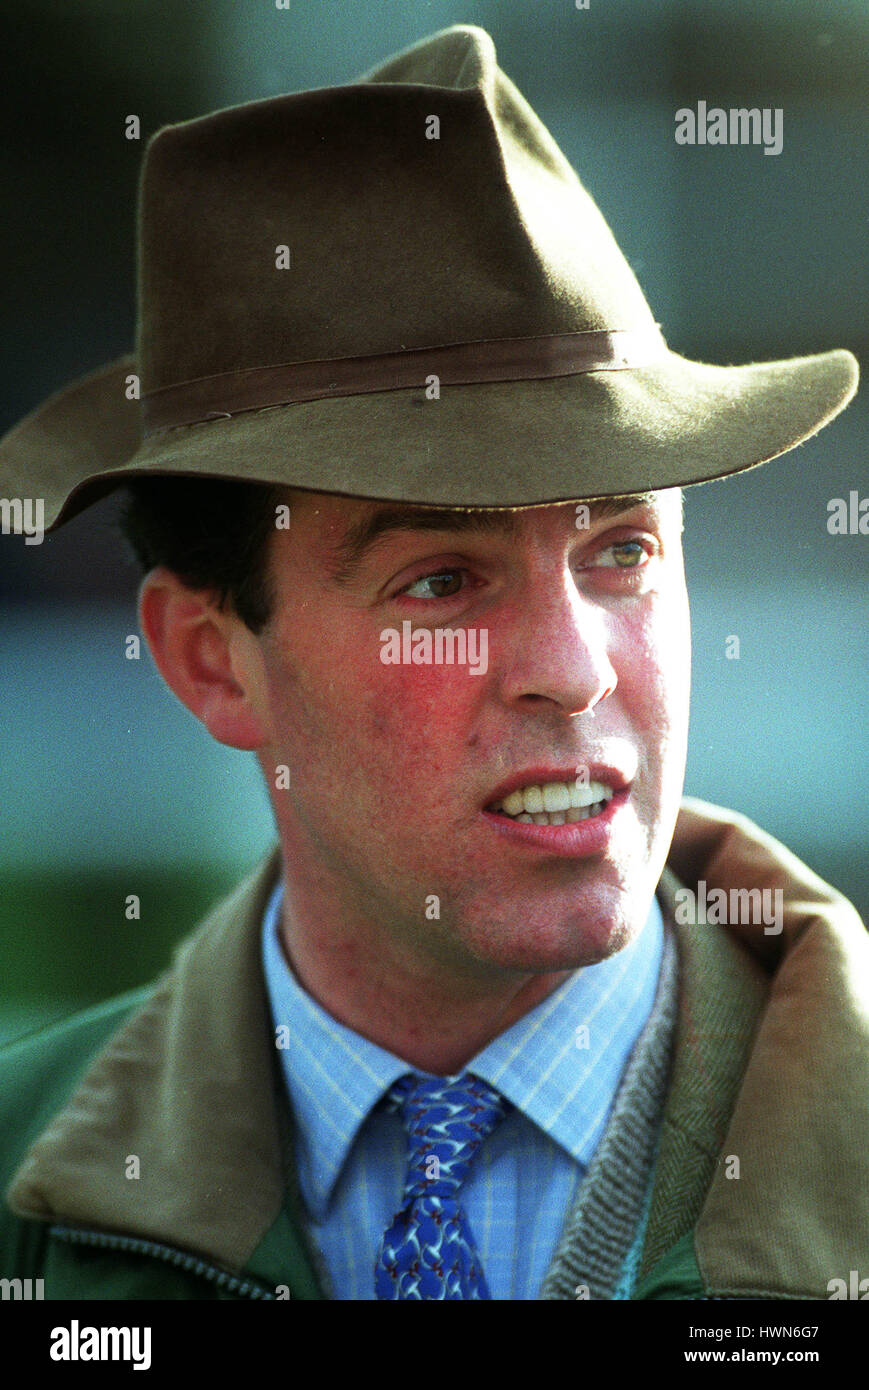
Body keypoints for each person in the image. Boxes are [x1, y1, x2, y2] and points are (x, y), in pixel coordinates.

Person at [0, 25, 865, 1302]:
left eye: (621, 550)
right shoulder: (24, 1182)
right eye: (442, 581)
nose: (571, 671)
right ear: (210, 661)